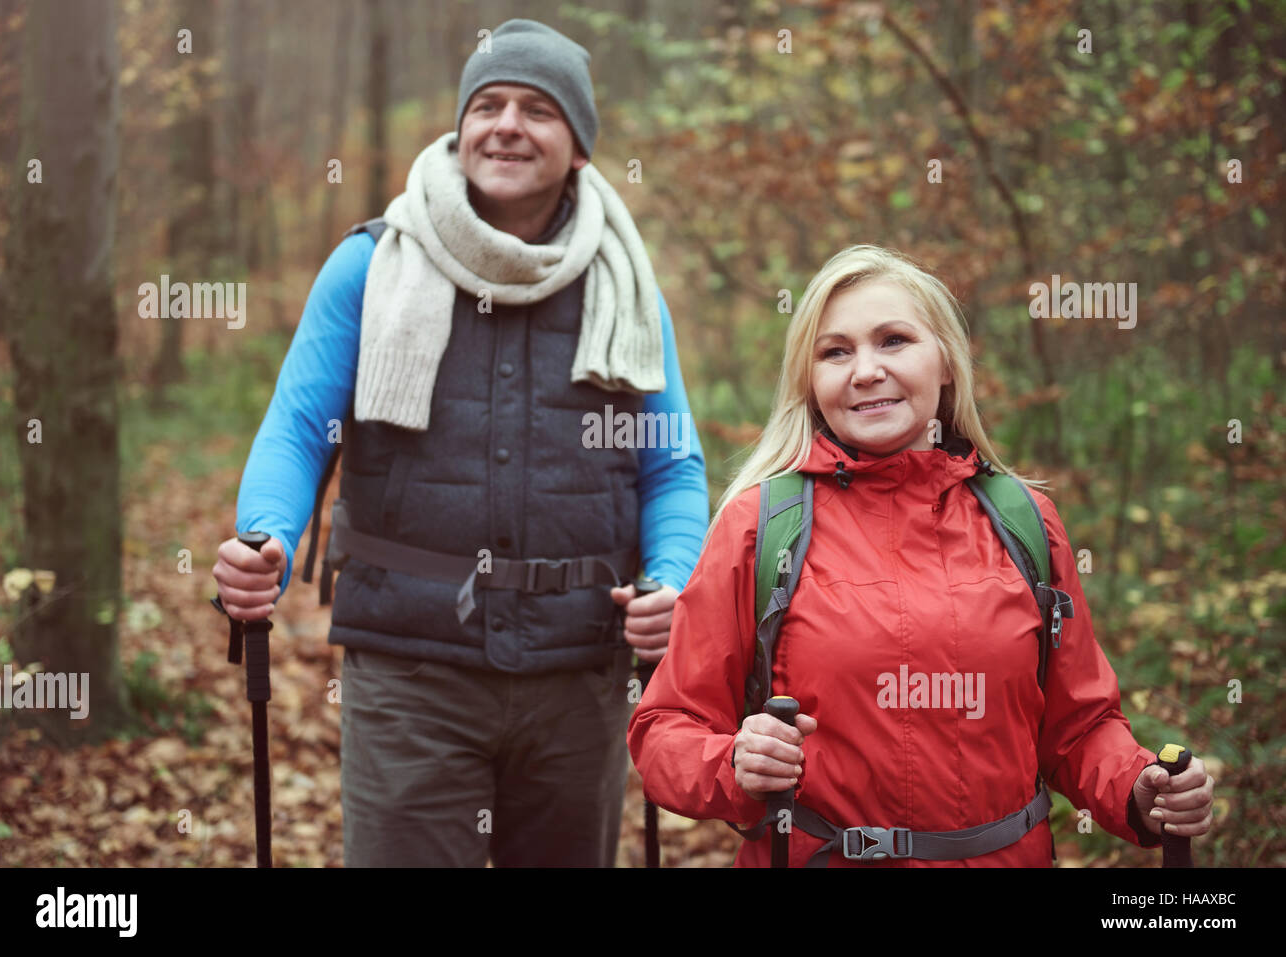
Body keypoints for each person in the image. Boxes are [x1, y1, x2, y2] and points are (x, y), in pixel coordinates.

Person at [212, 18, 708, 867]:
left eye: (538, 109)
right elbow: (299, 428)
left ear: (581, 146)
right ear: (459, 128)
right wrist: (267, 535)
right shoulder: (370, 266)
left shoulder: (626, 287)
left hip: (578, 674)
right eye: (488, 104)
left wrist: (672, 581)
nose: (508, 124)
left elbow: (672, 468)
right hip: (410, 673)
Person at [627, 245, 1214, 867]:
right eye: (835, 352)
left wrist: (1139, 788)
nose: (865, 371)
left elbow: (1077, 727)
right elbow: (665, 727)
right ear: (811, 381)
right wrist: (734, 764)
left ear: (946, 364)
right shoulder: (760, 525)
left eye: (894, 340)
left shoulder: (1024, 522)